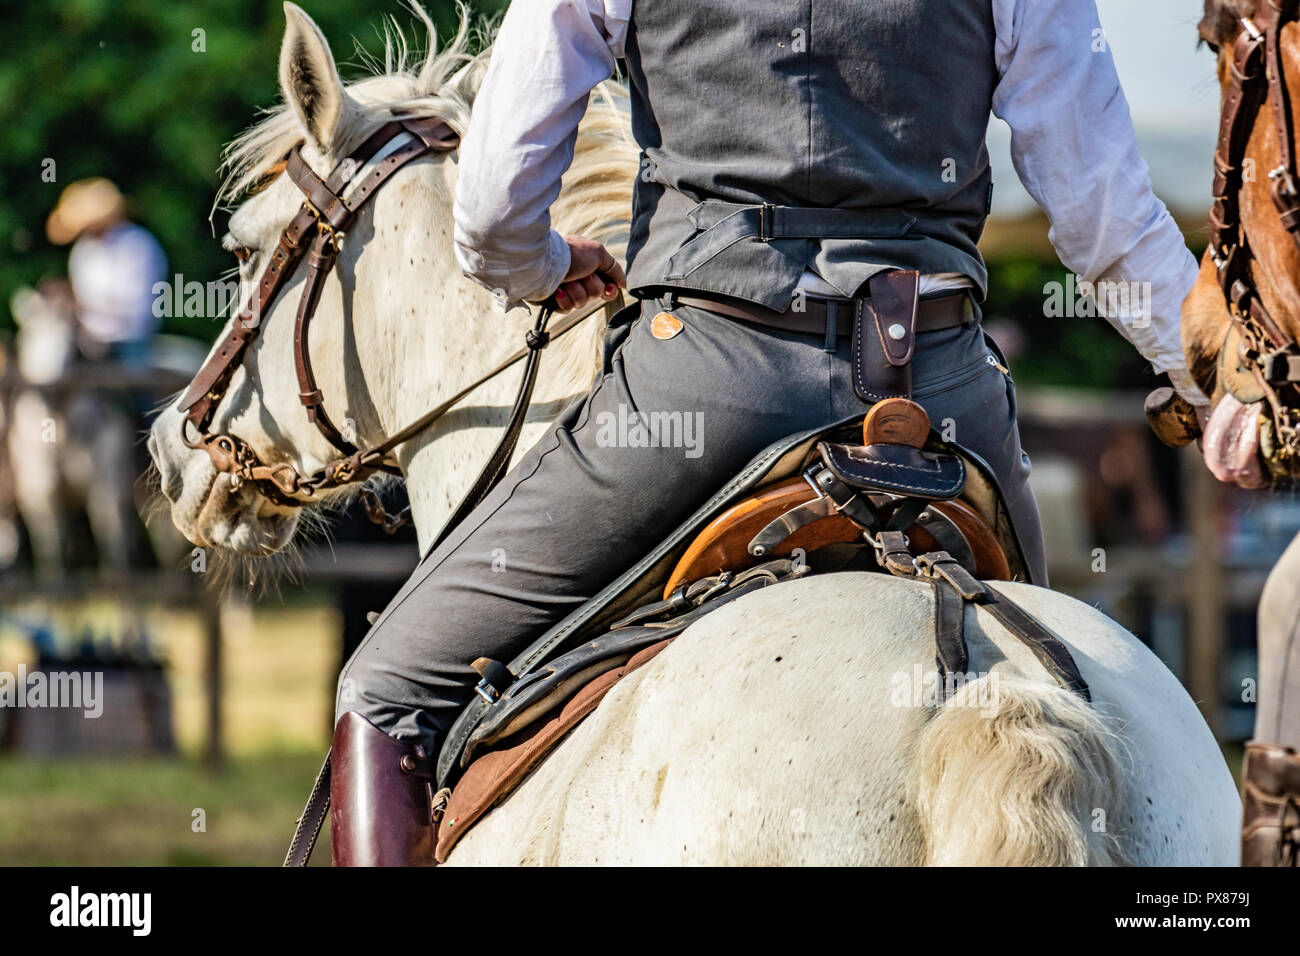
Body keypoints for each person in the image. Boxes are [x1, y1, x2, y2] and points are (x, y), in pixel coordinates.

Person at [328, 0, 1208, 864]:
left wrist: (540, 266)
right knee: (1024, 654)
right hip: (942, 404)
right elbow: (1108, 221)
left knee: (385, 688)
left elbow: (490, 210)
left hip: (706, 390)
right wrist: (1214, 383)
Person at [45, 177, 166, 366]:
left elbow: (137, 309)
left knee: (136, 384)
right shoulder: (83, 250)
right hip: (88, 343)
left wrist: (83, 304)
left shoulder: (137, 245)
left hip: (130, 341)